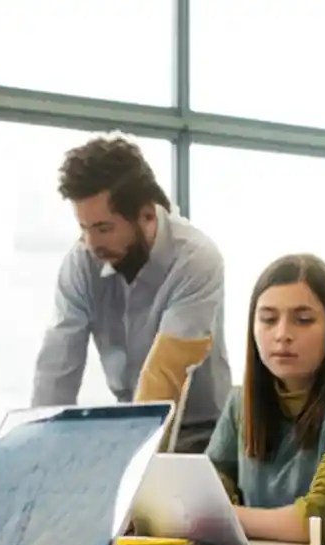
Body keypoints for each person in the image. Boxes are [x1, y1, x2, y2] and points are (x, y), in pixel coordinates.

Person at [31, 132, 231, 453]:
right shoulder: (82, 261)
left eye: (104, 228)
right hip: (130, 424)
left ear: (147, 215)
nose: (92, 244)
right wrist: (38, 452)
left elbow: (165, 372)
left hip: (202, 437)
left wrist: (128, 466)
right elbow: (57, 365)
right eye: (84, 228)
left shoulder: (196, 260)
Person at [205, 254, 325, 545]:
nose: (282, 335)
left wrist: (221, 518)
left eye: (303, 320)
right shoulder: (241, 402)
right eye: (268, 319)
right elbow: (205, 492)